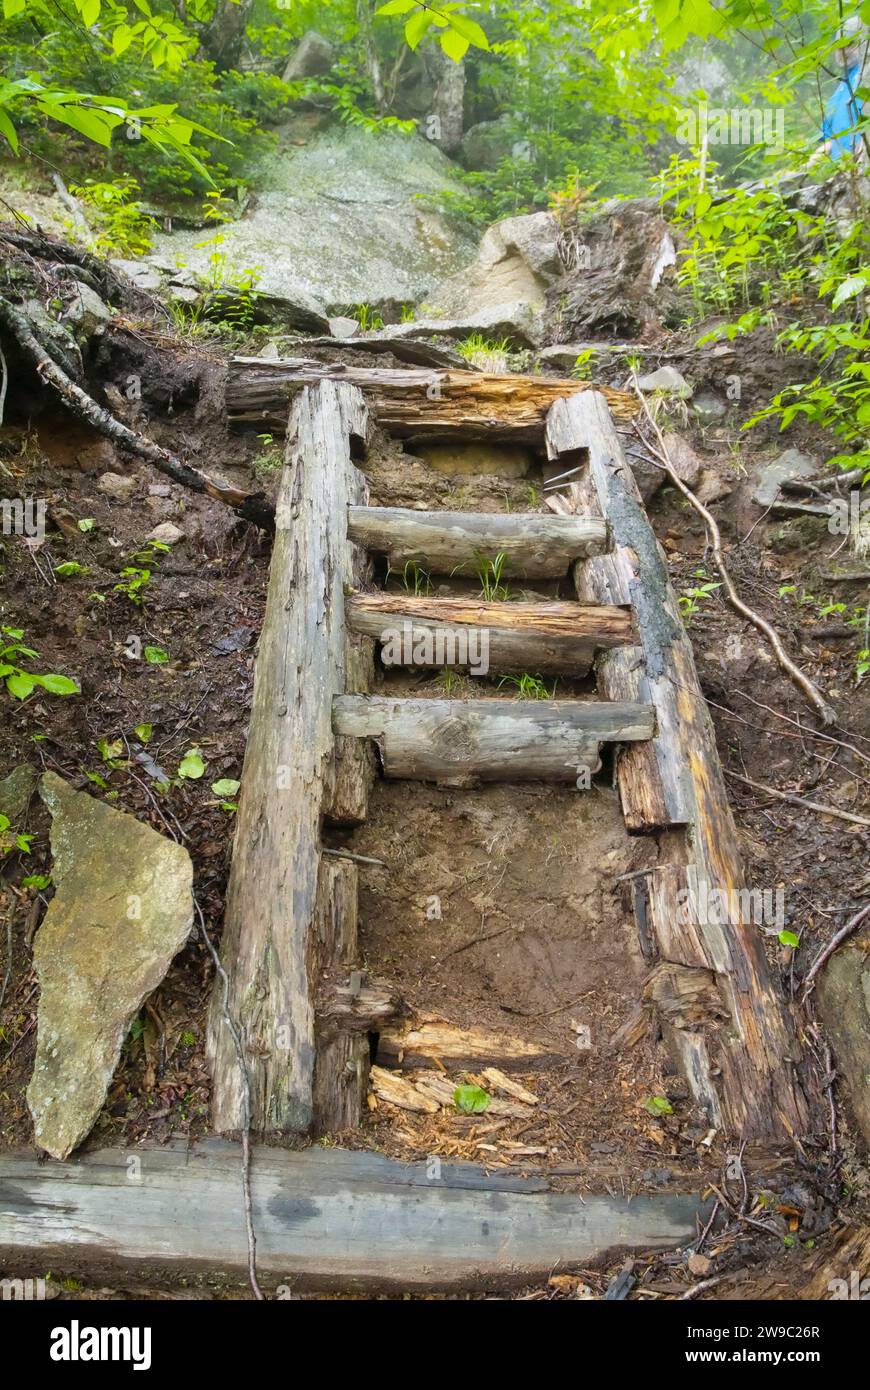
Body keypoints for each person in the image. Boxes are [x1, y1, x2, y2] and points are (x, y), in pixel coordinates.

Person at [812, 15, 866, 162]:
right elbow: (830, 139)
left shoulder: (866, 78)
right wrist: (808, 163)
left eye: (850, 44)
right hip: (843, 174)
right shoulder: (840, 90)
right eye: (838, 46)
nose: (843, 51)